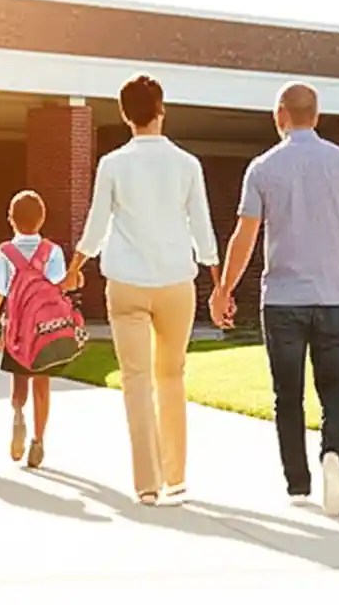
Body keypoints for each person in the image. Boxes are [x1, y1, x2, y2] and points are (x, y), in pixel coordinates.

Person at [210, 81, 339, 517]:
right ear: (316, 116)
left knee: (288, 395)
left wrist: (224, 289)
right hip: (335, 297)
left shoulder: (263, 168)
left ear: (280, 115)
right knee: (334, 388)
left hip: (282, 299)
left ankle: (299, 482)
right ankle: (333, 456)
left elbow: (244, 235)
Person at [60, 73, 221, 506]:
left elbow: (96, 225)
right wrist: (219, 284)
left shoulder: (113, 164)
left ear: (125, 115)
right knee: (171, 376)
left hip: (126, 282)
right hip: (176, 283)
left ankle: (146, 485)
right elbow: (203, 231)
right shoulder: (188, 165)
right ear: (162, 110)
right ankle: (177, 478)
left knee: (135, 380)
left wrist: (76, 268)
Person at [0, 190, 74, 469]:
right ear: (43, 218)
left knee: (19, 379)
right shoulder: (52, 251)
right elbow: (59, 285)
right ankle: (38, 440)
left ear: (11, 219)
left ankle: (17, 415)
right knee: (42, 383)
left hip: (16, 328)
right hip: (44, 331)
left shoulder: (5, 252)